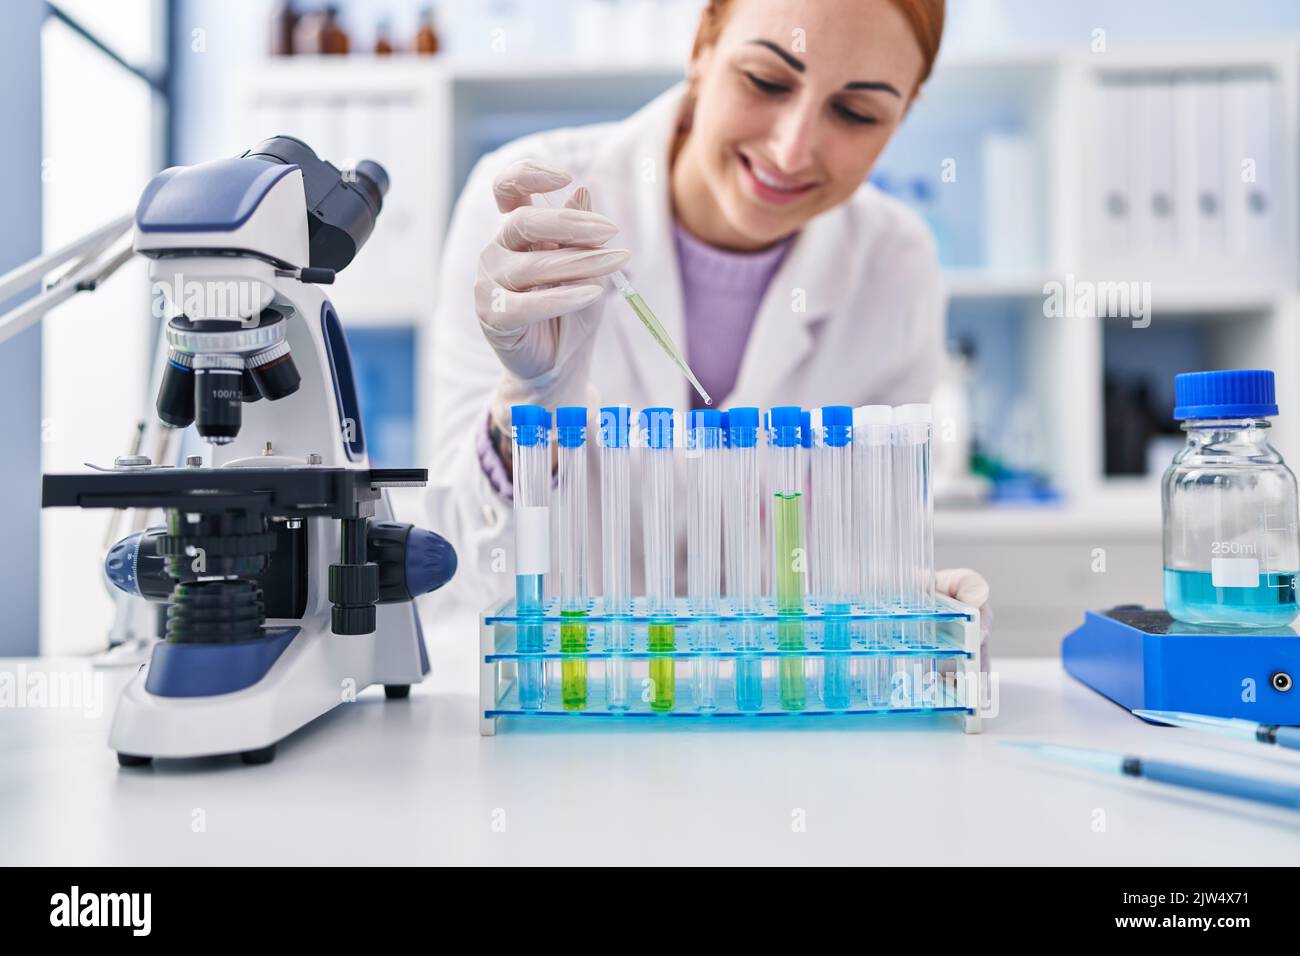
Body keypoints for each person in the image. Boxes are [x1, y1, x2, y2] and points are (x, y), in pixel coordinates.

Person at [425, 0, 990, 636]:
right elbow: (455, 571)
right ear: (702, 47)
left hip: (770, 712)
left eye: (856, 112)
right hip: (569, 702)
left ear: (902, 116)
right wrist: (525, 424)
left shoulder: (898, 263)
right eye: (766, 81)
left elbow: (859, 558)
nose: (792, 148)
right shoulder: (529, 213)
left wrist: (901, 604)